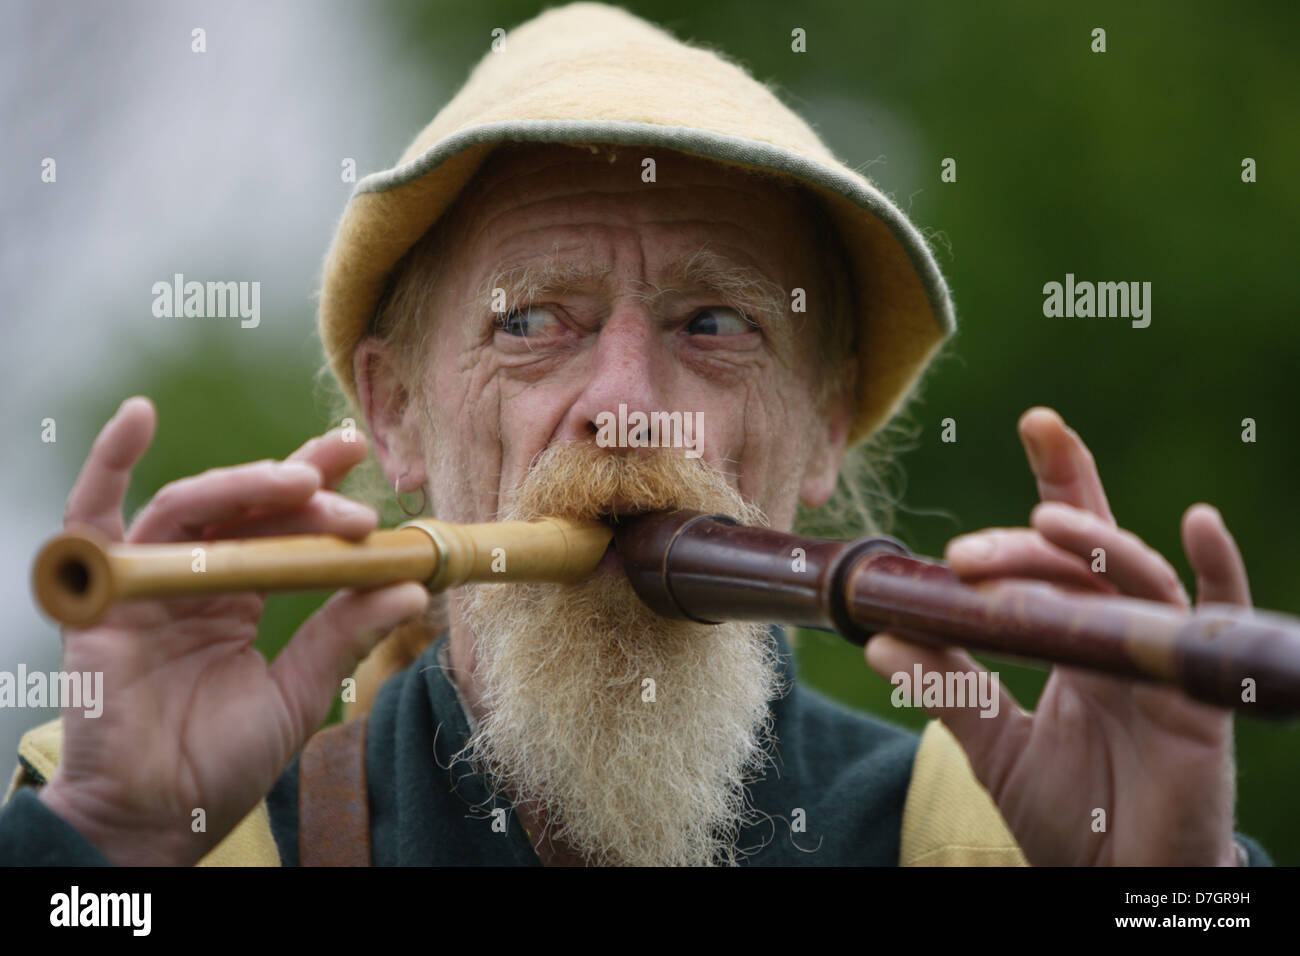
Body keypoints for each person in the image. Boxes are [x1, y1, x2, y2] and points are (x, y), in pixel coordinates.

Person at [0, 3, 1270, 867]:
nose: (623, 400)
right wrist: (103, 844)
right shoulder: (207, 839)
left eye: (712, 321)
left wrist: (1167, 884)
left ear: (821, 424)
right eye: (533, 322)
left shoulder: (965, 840)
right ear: (396, 414)